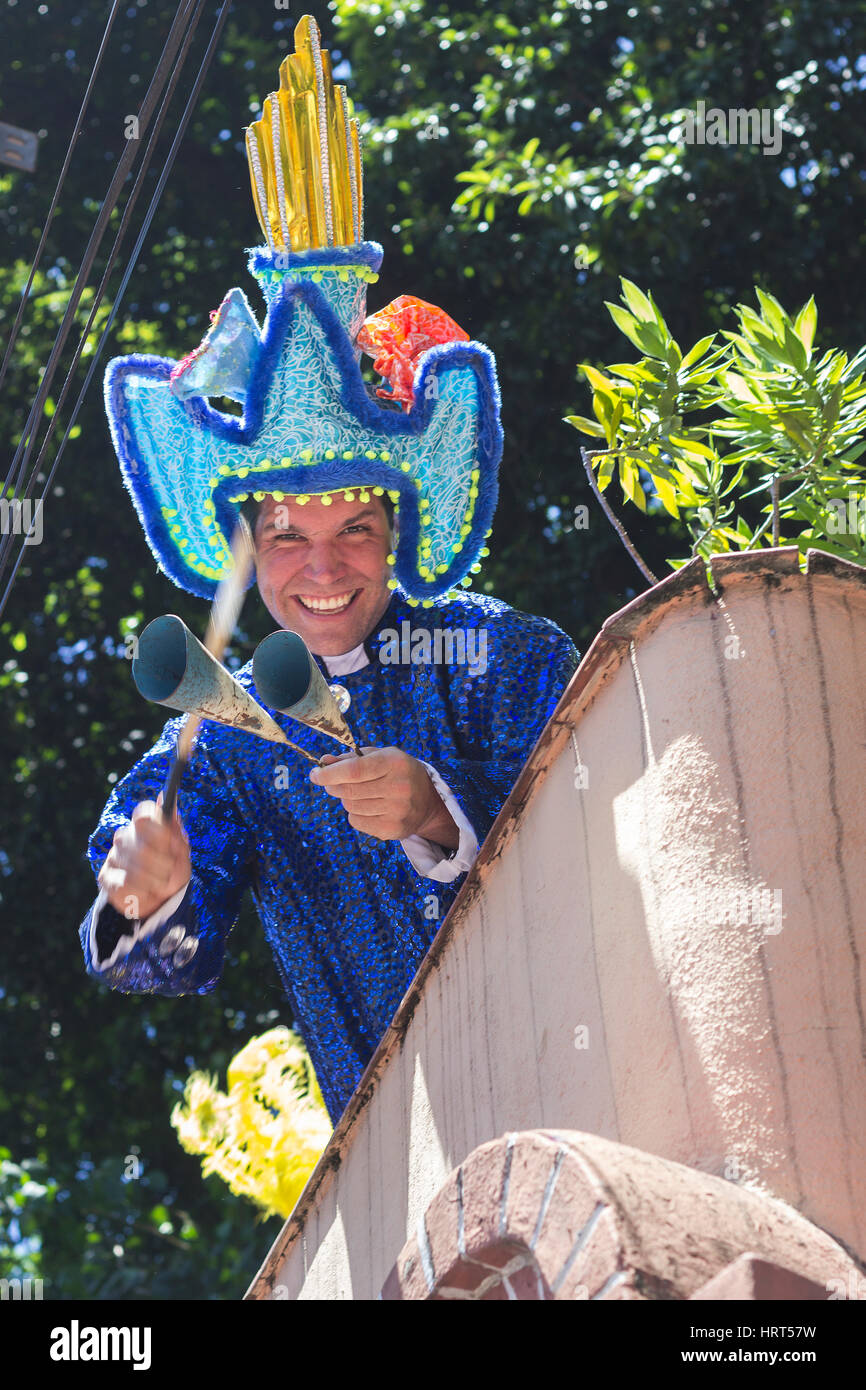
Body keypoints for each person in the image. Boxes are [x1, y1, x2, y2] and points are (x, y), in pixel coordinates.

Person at [79, 16, 579, 1122]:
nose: (320, 567)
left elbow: (610, 854)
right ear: (242, 547)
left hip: (586, 1100)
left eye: (353, 529)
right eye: (287, 537)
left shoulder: (503, 657)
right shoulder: (211, 737)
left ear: (396, 533)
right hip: (396, 1170)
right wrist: (148, 896)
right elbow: (158, 958)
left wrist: (442, 819)